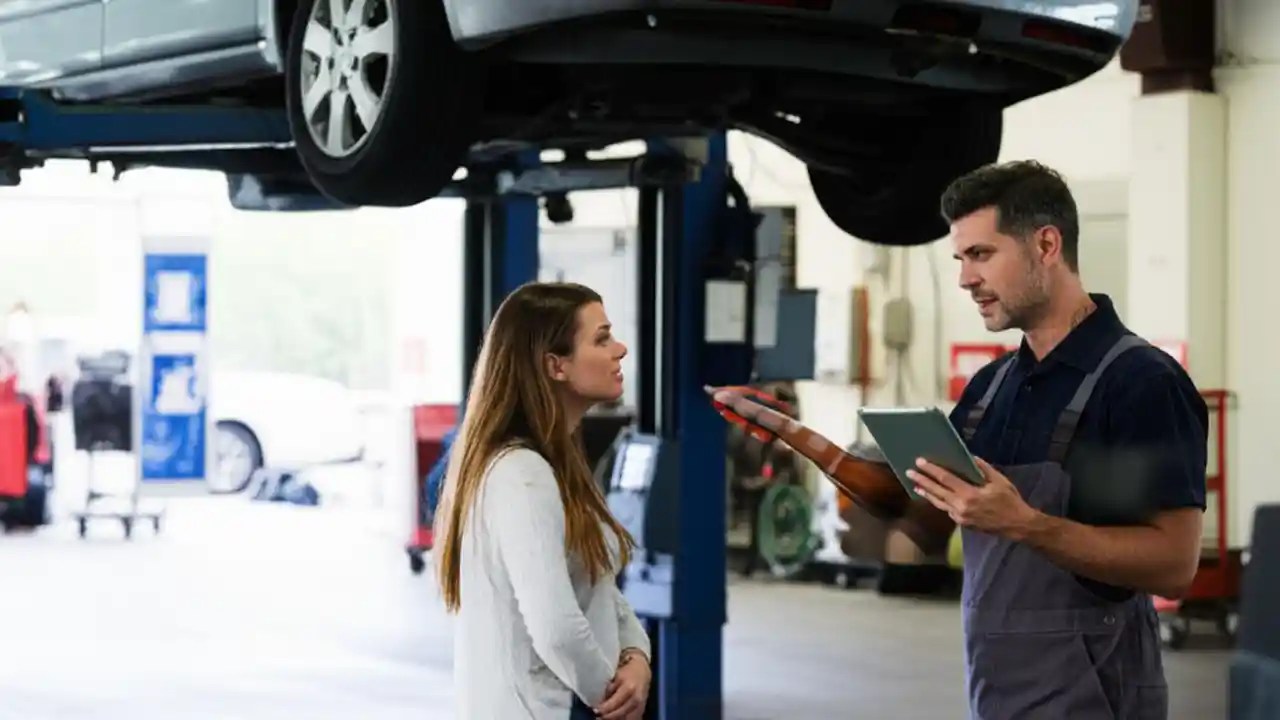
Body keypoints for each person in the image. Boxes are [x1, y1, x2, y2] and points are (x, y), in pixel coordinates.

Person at [706, 160, 1206, 720]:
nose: (966, 279)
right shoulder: (993, 389)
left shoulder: (1139, 383)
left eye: (982, 255)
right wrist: (790, 432)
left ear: (1046, 245)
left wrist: (1025, 523)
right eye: (960, 259)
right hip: (999, 695)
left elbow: (1172, 564)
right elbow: (920, 515)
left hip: (1099, 700)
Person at [433, 281, 652, 720]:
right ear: (556, 365)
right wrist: (609, 699)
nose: (621, 349)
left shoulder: (555, 465)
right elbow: (555, 627)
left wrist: (636, 653)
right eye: (602, 338)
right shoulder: (520, 474)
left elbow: (595, 581)